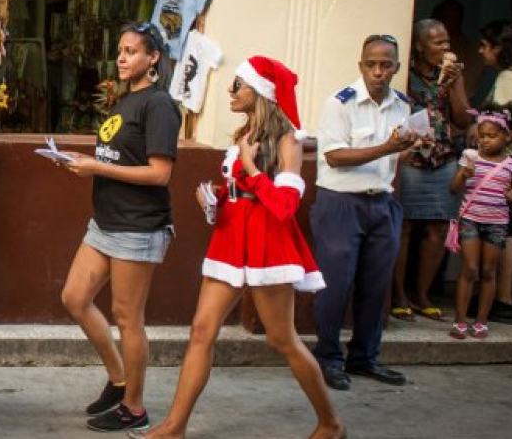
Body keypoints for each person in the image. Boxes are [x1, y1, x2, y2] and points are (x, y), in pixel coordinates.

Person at [145, 56, 344, 439]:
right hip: (230, 239)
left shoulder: (287, 141)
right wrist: (215, 197)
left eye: (239, 85)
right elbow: (241, 193)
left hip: (268, 244)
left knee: (281, 339)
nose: (231, 91)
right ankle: (174, 426)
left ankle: (331, 422)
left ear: (262, 93)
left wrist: (252, 172)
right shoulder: (242, 137)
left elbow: (285, 207)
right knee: (201, 331)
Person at [53, 23, 180, 433]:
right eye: (120, 51)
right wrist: (80, 160)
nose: (122, 58)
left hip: (137, 227)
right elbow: (118, 154)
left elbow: (160, 174)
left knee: (128, 318)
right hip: (106, 222)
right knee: (74, 297)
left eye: (131, 52)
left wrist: (97, 167)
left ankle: (135, 406)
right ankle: (118, 378)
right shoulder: (125, 101)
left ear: (153, 58)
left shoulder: (159, 105)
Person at [312, 34, 417, 391]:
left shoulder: (402, 104)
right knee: (335, 285)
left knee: (375, 285)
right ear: (361, 66)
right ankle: (327, 357)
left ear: (396, 68)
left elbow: (396, 156)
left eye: (386, 65)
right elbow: (334, 157)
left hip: (382, 202)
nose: (378, 71)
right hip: (340, 203)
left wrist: (409, 150)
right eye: (371, 64)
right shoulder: (340, 103)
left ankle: (364, 358)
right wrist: (388, 146)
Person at [390, 19, 470, 322]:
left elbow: (462, 119)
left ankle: (421, 294)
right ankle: (398, 294)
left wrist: (455, 83)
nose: (446, 48)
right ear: (420, 47)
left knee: (437, 228)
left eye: (447, 42)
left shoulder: (451, 74)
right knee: (405, 228)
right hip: (411, 157)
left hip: (443, 157)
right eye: (438, 43)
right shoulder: (405, 76)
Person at [448, 102, 512, 339]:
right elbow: (453, 189)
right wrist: (463, 174)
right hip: (470, 219)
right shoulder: (469, 158)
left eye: (492, 136)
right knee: (470, 268)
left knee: (489, 271)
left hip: (497, 223)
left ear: (506, 135)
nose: (485, 141)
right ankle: (460, 321)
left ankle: (481, 321)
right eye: (482, 136)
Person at [478, 21, 512, 324]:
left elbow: (509, 121)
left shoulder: (510, 77)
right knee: (507, 228)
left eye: (485, 45)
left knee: (503, 231)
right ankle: (501, 297)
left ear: (499, 47)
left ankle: (502, 298)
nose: (481, 51)